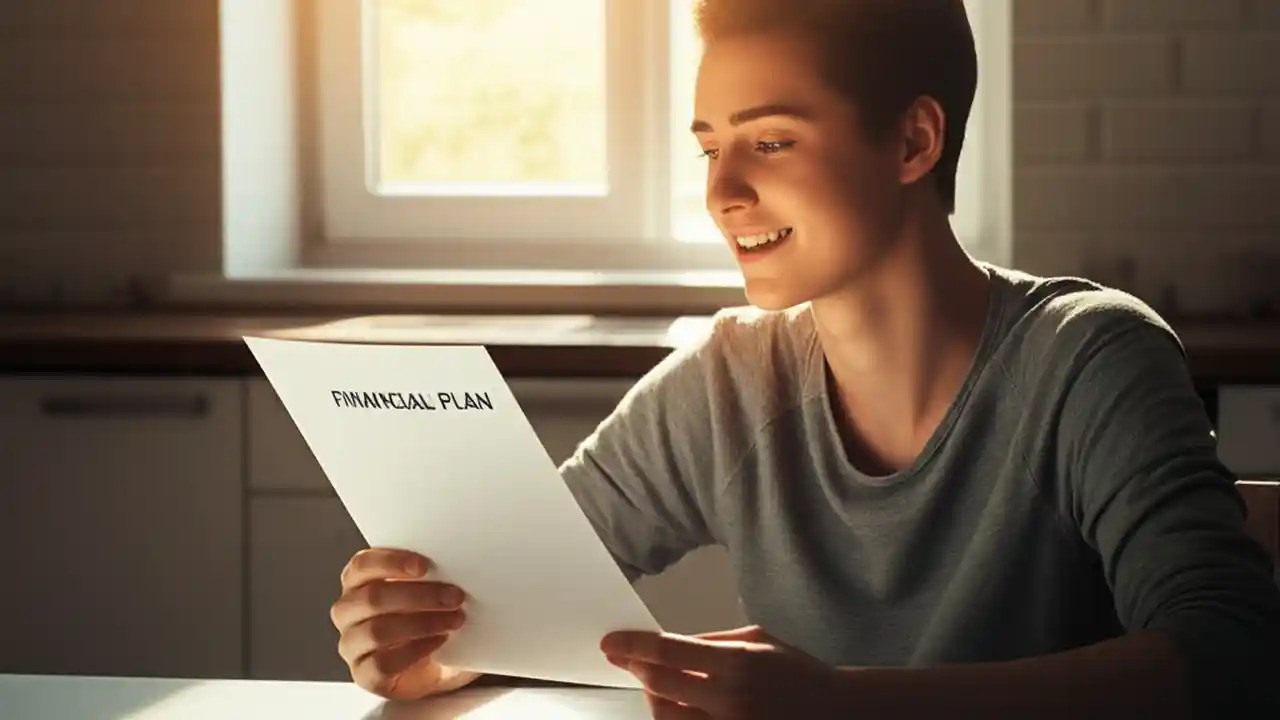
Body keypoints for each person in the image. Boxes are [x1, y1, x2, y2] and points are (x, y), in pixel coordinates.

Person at [328, 0, 1280, 717]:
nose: (724, 194)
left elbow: (1230, 655)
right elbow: (517, 591)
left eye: (771, 140)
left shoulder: (1090, 358)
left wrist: (845, 706)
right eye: (708, 150)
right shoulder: (727, 382)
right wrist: (431, 647)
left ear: (914, 139)